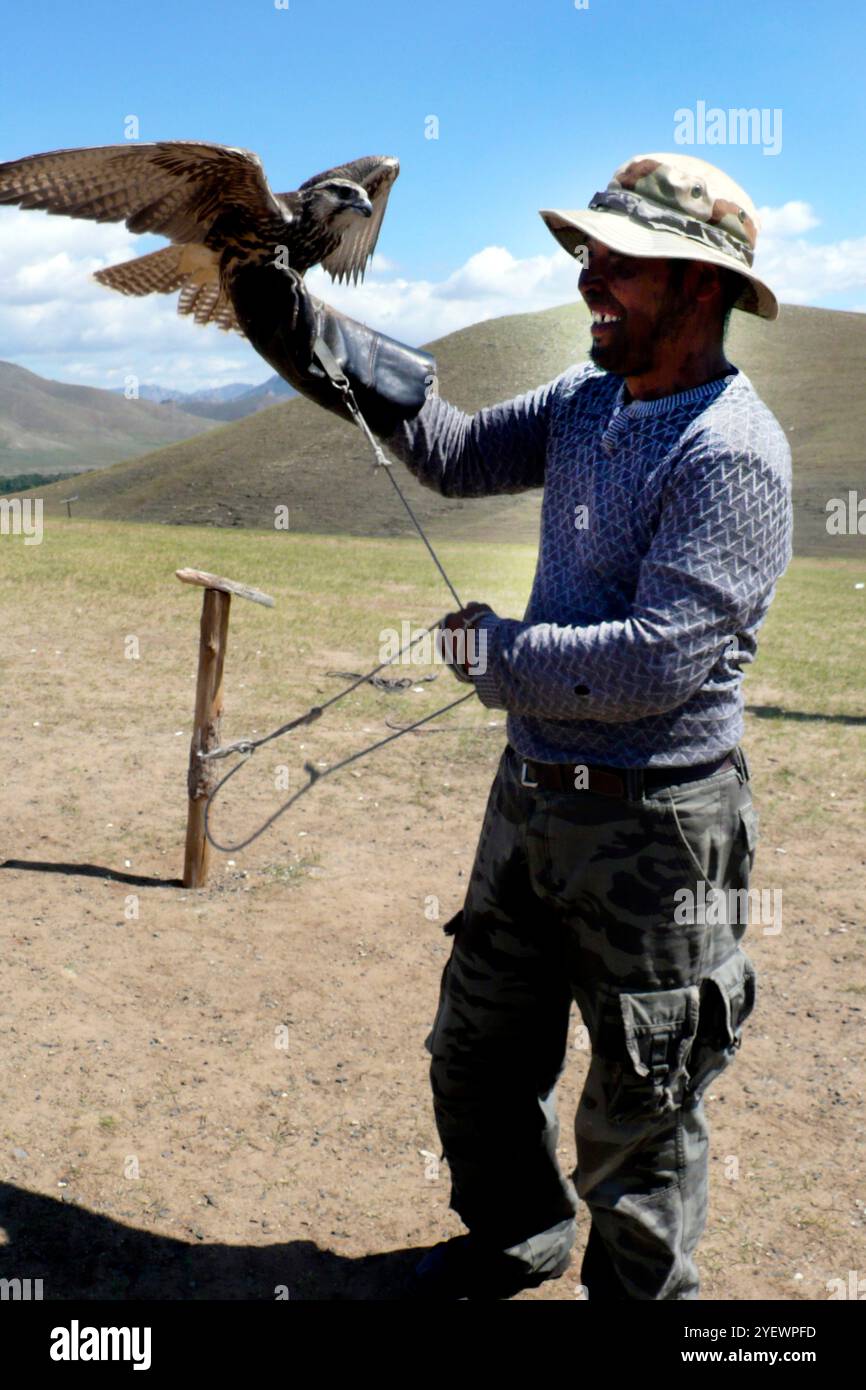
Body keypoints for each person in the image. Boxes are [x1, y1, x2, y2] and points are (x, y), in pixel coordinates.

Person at [229, 152, 793, 1301]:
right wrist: (313, 334)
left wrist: (500, 654)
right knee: (477, 1056)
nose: (586, 279)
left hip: (657, 829)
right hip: (531, 801)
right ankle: (514, 1240)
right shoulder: (587, 400)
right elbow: (448, 451)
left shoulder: (730, 451)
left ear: (695, 287)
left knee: (641, 1107)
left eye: (614, 264)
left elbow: (655, 664)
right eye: (585, 254)